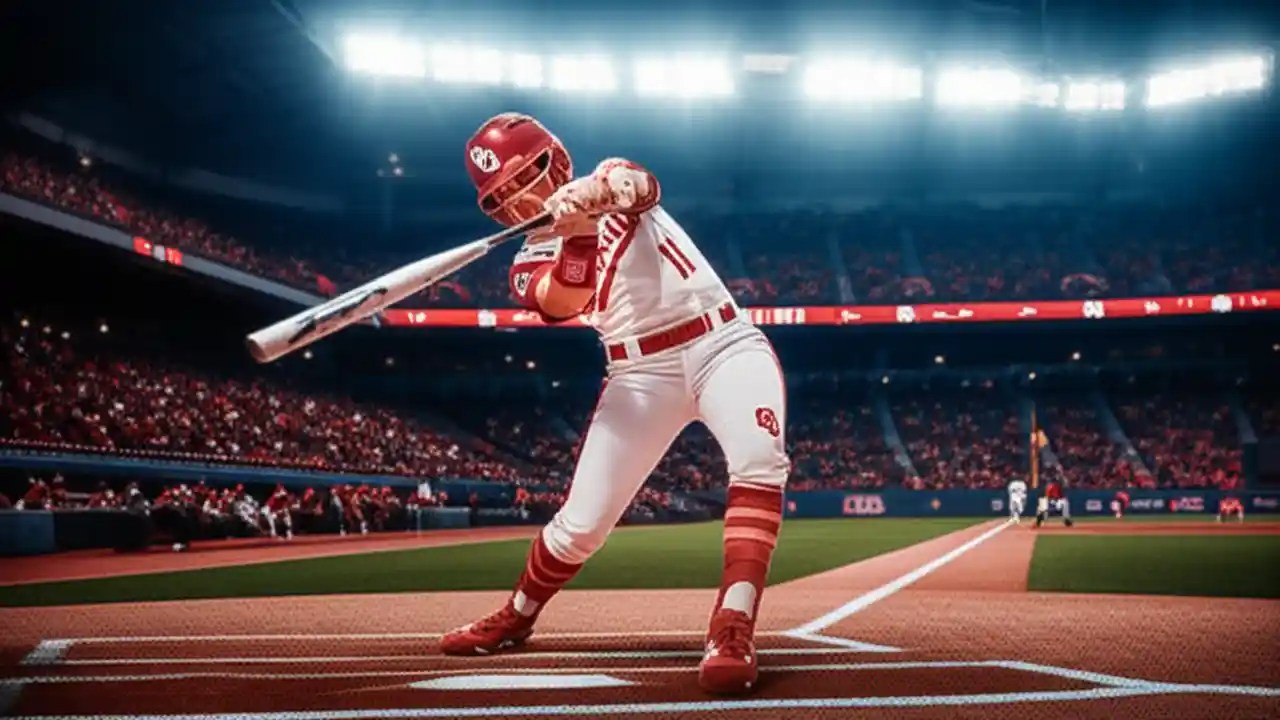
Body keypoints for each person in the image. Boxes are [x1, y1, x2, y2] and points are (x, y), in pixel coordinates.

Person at [440, 113, 791, 695]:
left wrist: (596, 195)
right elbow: (561, 300)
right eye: (499, 197)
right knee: (581, 525)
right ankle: (518, 614)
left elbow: (641, 185)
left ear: (554, 162)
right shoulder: (527, 261)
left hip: (721, 342)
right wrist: (575, 233)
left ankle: (733, 623)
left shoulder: (611, 176)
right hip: (638, 372)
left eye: (521, 180)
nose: (514, 201)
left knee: (758, 459)